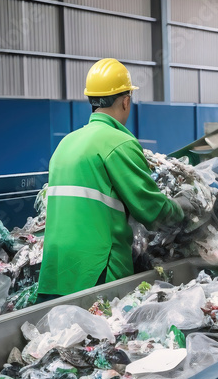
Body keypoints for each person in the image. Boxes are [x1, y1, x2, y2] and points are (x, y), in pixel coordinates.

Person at [38, 58, 189, 298]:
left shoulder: (64, 144)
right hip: (97, 274)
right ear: (126, 101)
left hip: (56, 273)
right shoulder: (119, 144)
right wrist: (181, 208)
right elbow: (152, 211)